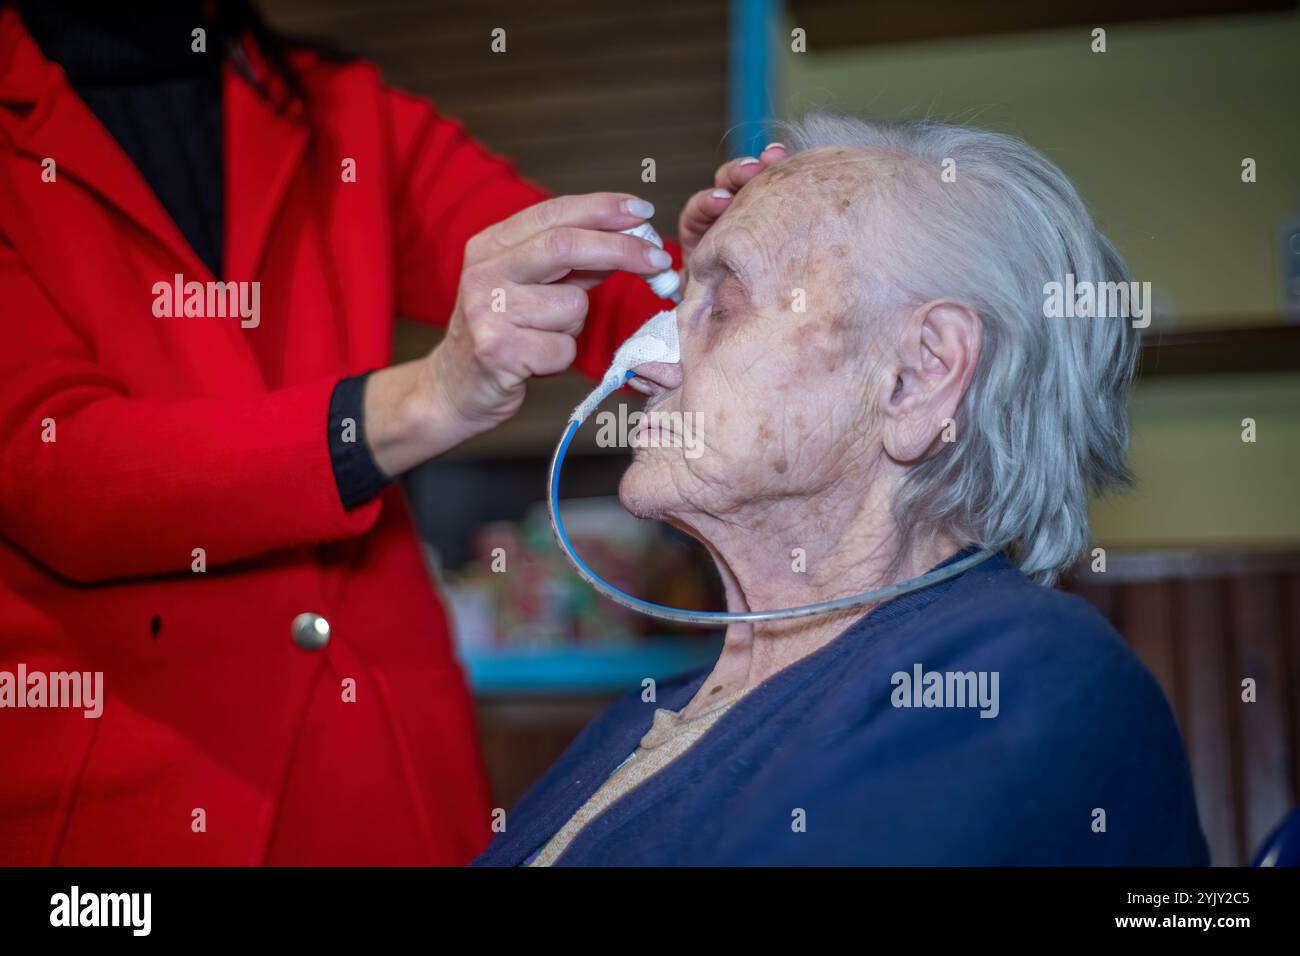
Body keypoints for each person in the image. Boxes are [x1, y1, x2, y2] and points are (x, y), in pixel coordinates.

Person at [0, 0, 785, 864]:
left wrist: (712, 282)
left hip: (382, 770)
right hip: (130, 800)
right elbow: (60, 468)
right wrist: (431, 397)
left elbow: (578, 282)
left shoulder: (346, 113)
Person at [473, 115, 1210, 866]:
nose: (646, 364)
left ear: (918, 377)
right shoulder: (642, 721)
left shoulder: (1014, 677)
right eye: (677, 307)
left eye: (721, 309)